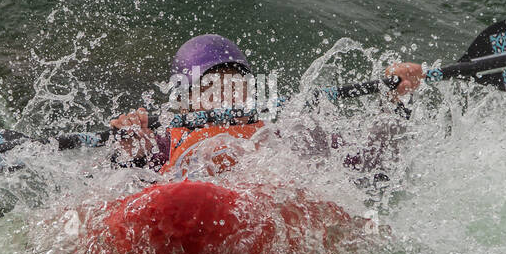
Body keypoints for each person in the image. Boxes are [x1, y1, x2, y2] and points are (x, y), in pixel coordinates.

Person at [108, 34, 423, 175]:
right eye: (210, 87)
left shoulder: (285, 135)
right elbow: (122, 188)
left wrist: (395, 100)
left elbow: (376, 165)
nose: (229, 95)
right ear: (185, 102)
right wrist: (131, 154)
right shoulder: (162, 144)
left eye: (237, 83)